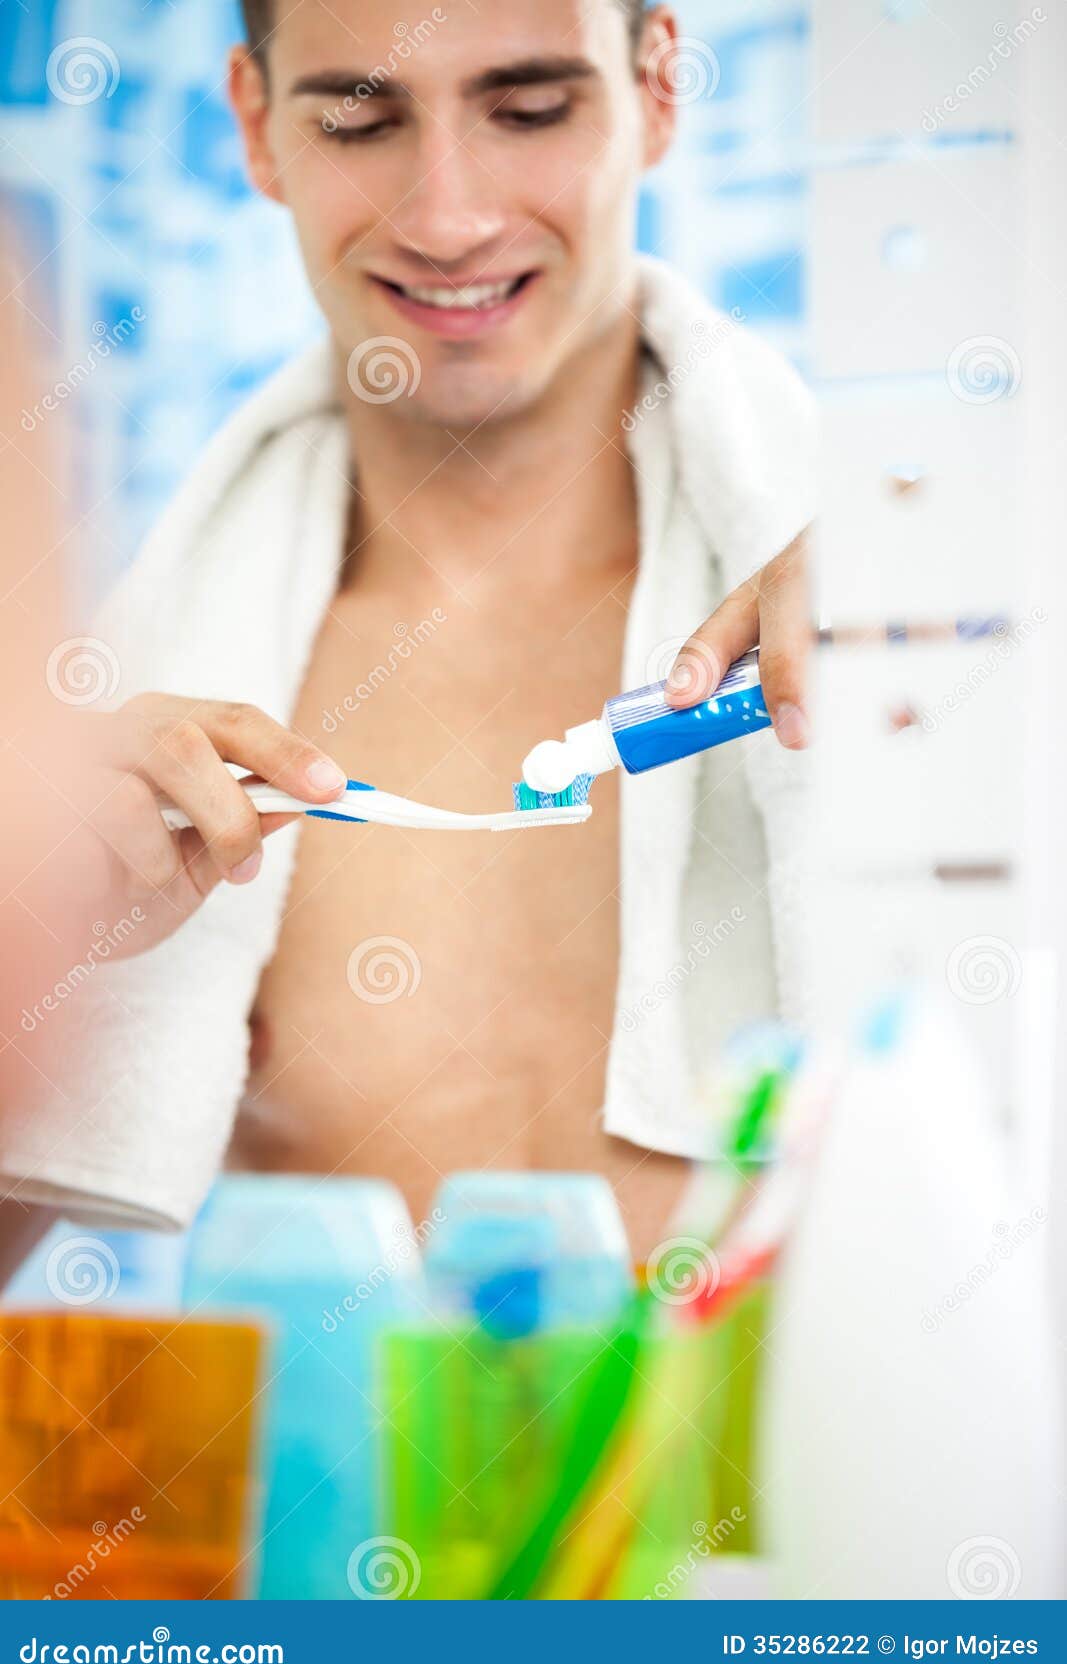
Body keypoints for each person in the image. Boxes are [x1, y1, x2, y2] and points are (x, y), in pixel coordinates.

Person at [0, 1, 813, 1261]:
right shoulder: (136, 715)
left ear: (658, 88)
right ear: (255, 126)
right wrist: (31, 964)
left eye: (528, 110)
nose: (446, 219)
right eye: (358, 119)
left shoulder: (876, 613)